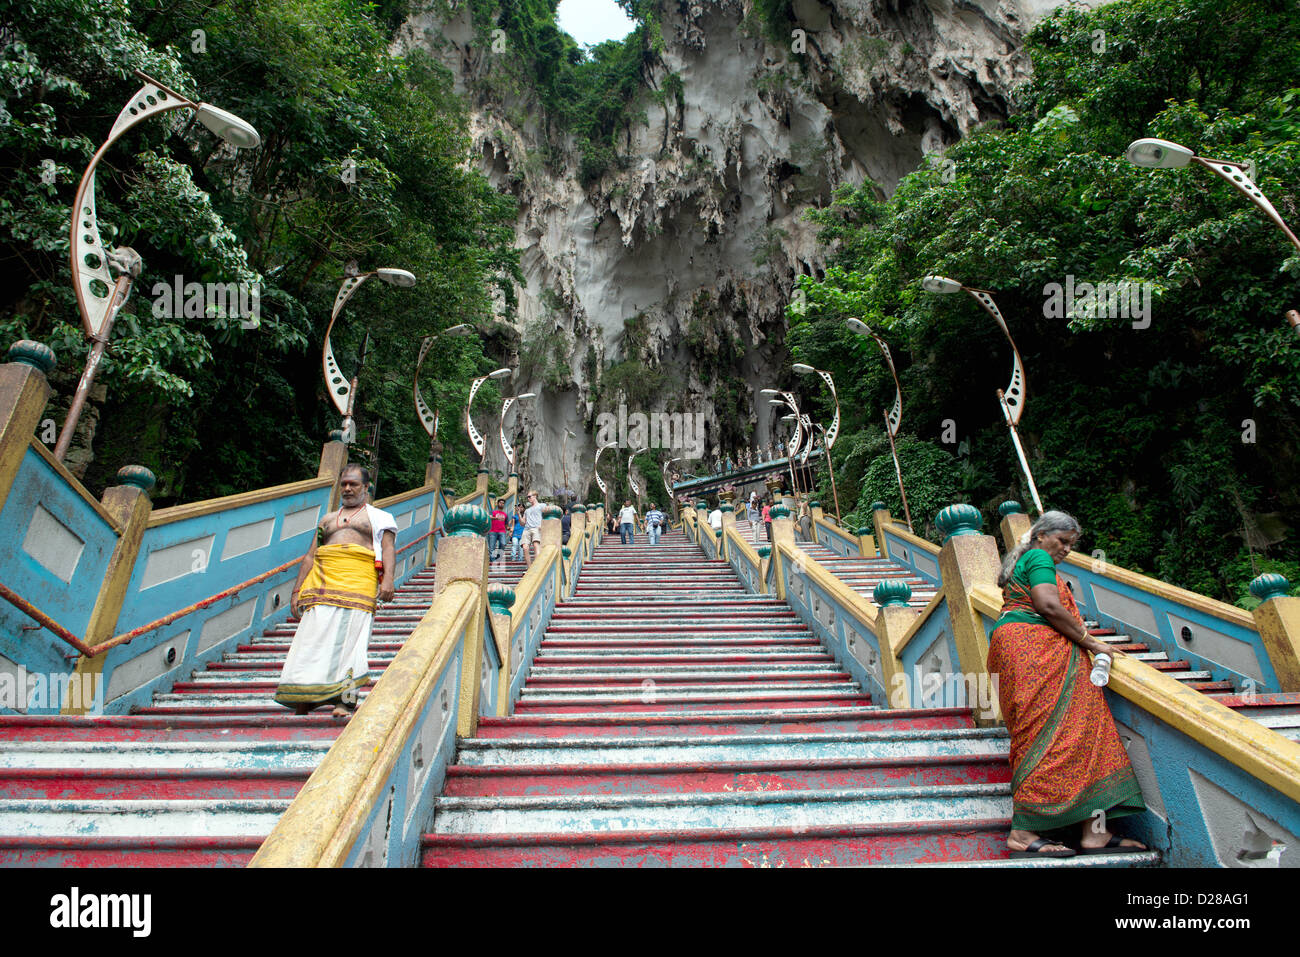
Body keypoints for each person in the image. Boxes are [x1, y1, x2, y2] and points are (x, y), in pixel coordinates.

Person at [987, 510, 1148, 858]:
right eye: (1062, 541)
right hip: (1035, 652)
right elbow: (1047, 604)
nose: (1066, 550)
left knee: (1088, 733)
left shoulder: (1027, 561)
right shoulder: (1038, 556)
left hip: (1031, 651)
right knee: (1048, 737)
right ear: (1041, 535)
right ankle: (1023, 831)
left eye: (1071, 545)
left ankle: (1096, 833)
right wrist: (1091, 642)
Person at [276, 464, 397, 719]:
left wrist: (388, 580)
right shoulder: (327, 519)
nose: (348, 488)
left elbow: (387, 549)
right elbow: (311, 555)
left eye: (353, 484)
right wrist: (297, 590)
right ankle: (305, 697)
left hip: (358, 583)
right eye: (344, 484)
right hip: (323, 582)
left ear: (366, 487)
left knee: (352, 643)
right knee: (313, 639)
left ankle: (345, 700)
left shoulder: (379, 518)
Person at [521, 490, 544, 568]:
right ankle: (529, 567)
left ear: (535, 496)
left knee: (536, 545)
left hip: (536, 528)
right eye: (527, 497)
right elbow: (522, 523)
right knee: (525, 547)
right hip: (526, 529)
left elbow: (547, 515)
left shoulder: (542, 505)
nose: (528, 498)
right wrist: (518, 513)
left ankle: (536, 566)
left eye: (529, 496)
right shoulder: (527, 510)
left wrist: (542, 524)